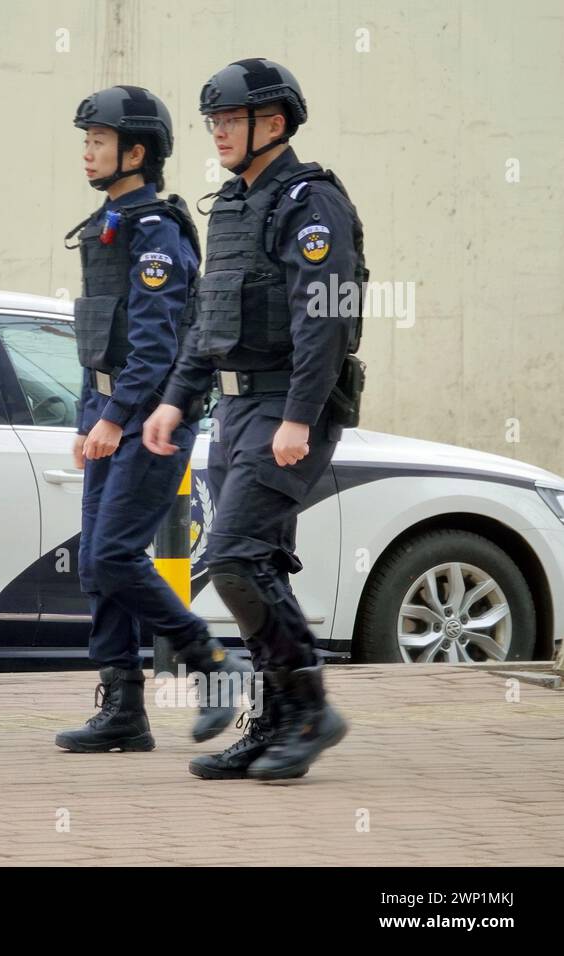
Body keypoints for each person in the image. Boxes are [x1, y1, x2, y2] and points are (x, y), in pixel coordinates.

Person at [143, 59, 368, 780]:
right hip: (237, 407)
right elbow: (211, 318)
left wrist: (300, 417)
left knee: (235, 554)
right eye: (211, 122)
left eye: (228, 120)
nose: (216, 132)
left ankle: (309, 708)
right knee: (257, 562)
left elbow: (325, 320)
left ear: (272, 123)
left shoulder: (311, 202)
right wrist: (177, 398)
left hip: (288, 404)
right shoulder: (235, 206)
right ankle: (274, 722)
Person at [55, 85, 249, 754]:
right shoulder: (111, 225)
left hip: (153, 418)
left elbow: (156, 342)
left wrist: (116, 417)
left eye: (99, 142)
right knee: (98, 563)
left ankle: (215, 664)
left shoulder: (155, 232)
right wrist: (92, 417)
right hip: (113, 414)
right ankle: (124, 712)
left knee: (113, 555)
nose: (88, 152)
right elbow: (103, 339)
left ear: (136, 152)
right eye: (86, 141)